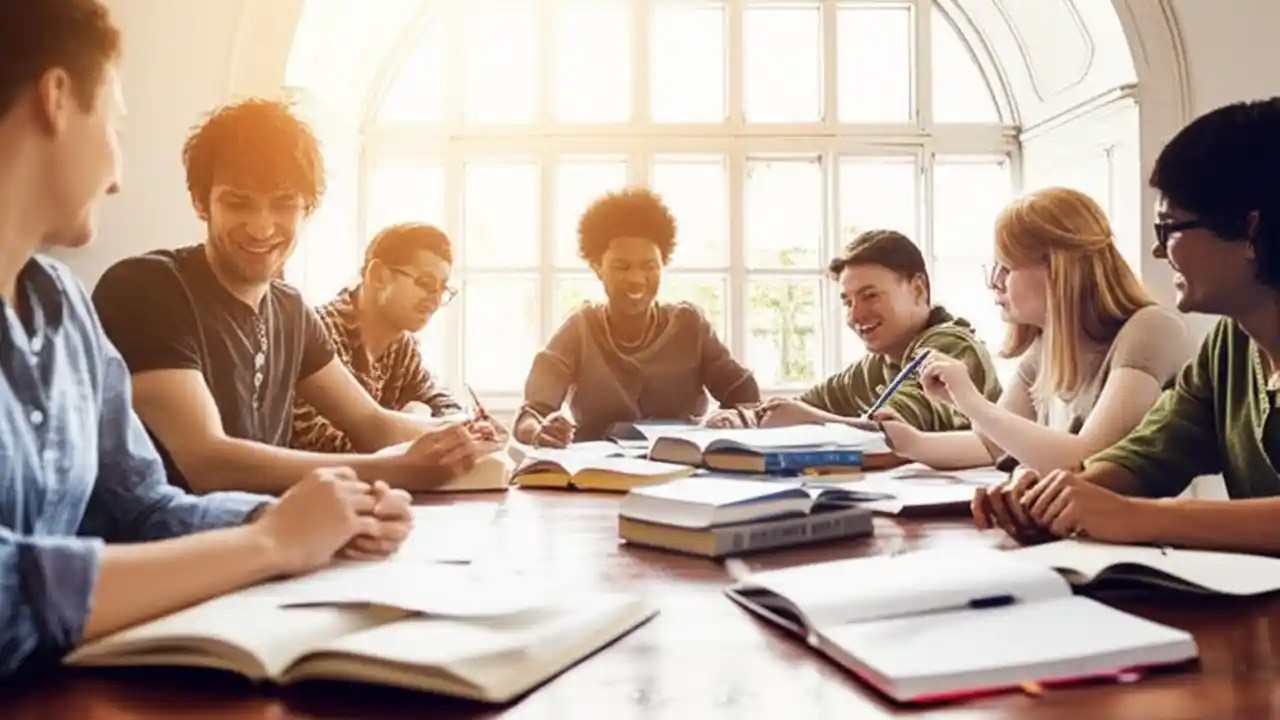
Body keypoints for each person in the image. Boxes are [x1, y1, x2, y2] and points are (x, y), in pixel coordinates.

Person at [0, 0, 411, 677]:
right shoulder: (144, 286)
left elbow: (143, 506)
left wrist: (315, 521)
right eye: (117, 126)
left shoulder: (65, 308)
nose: (119, 174)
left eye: (285, 203)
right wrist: (270, 545)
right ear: (57, 99)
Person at [92, 99, 492, 495]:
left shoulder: (290, 311)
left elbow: (374, 424)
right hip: (167, 549)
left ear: (307, 208)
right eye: (238, 202)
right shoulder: (146, 289)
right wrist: (397, 468)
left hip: (269, 536)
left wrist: (467, 436)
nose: (262, 228)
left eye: (283, 205)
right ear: (201, 202)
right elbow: (206, 462)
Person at [975, 98, 1280, 554]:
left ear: (1250, 231)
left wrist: (1135, 515)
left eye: (1169, 229)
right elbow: (1146, 456)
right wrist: (1056, 497)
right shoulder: (1229, 347)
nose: (1159, 253)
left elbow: (1135, 502)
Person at [877, 187, 1190, 475]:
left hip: (1133, 534)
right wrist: (910, 442)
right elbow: (991, 444)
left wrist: (973, 403)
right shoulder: (1046, 345)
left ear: (1059, 269)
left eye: (1006, 268)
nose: (994, 281)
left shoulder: (1150, 329)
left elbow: (1089, 460)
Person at [514, 187, 759, 446]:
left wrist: (733, 418)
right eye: (621, 266)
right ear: (598, 269)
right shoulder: (580, 328)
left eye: (649, 266)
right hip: (598, 473)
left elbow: (745, 396)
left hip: (682, 469)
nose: (636, 280)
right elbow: (531, 414)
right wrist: (540, 431)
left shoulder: (690, 325)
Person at [706, 229, 1000, 432]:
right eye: (847, 301)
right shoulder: (877, 365)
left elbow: (895, 432)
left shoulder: (951, 348)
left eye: (871, 296)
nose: (855, 314)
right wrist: (741, 417)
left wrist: (811, 421)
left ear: (918, 289)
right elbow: (798, 407)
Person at [292, 222, 502, 453]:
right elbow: (325, 445)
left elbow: (438, 400)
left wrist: (430, 418)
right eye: (426, 283)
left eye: (442, 290)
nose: (435, 299)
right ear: (378, 276)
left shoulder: (401, 344)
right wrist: (416, 418)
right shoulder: (318, 335)